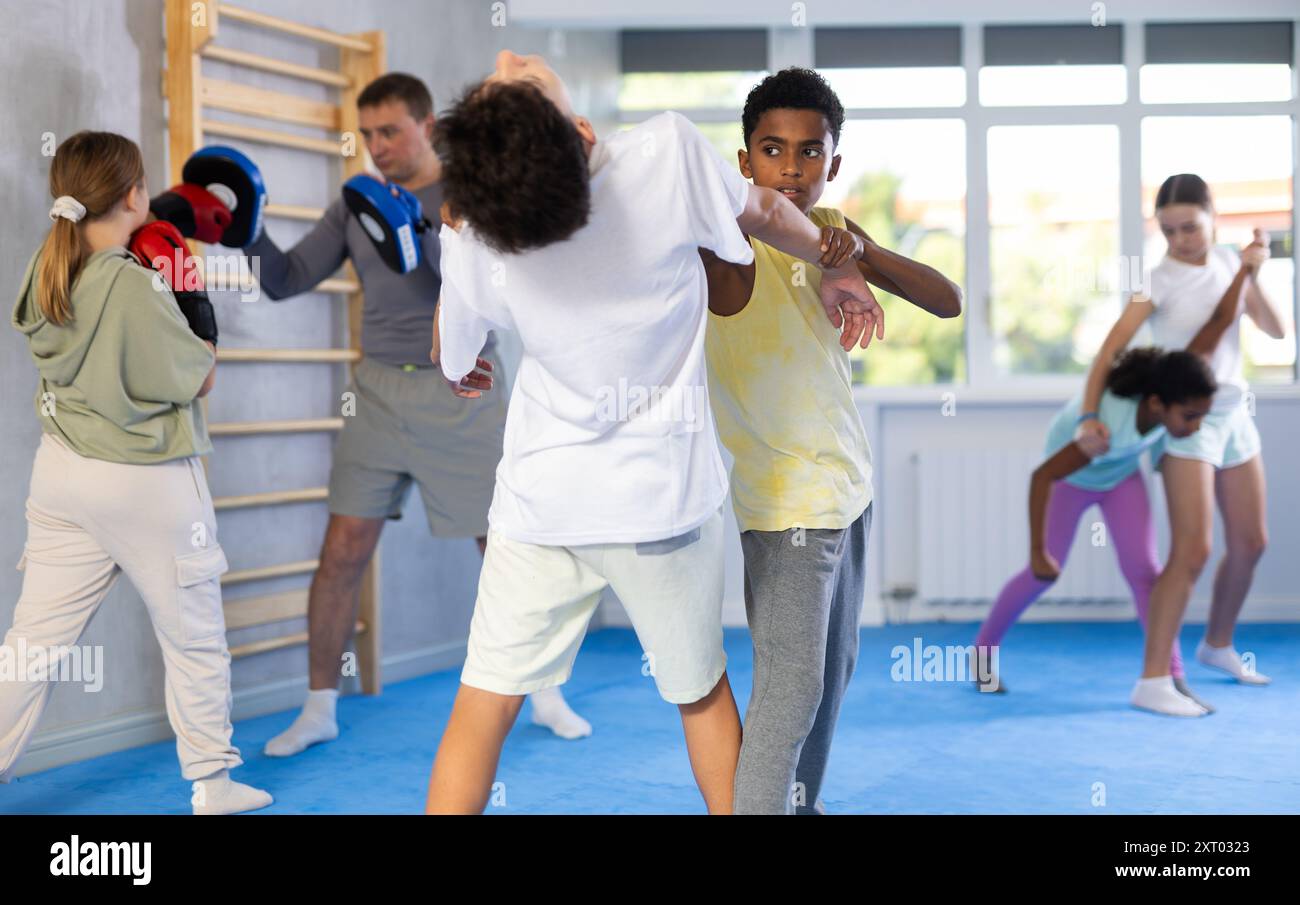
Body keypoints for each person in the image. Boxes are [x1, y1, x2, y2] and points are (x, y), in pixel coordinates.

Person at [425, 51, 884, 814]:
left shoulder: (479, 225)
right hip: (660, 510)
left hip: (542, 509)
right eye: (518, 74)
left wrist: (457, 327)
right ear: (579, 127)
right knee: (700, 694)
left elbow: (455, 356)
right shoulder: (664, 153)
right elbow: (768, 216)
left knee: (485, 703)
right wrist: (831, 258)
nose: (510, 55)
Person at [241, 73, 590, 756]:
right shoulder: (356, 202)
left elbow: (503, 290)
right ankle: (319, 707)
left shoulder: (474, 190)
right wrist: (244, 229)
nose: (376, 146)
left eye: (390, 131)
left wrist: (424, 237)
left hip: (461, 387)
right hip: (376, 392)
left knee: (507, 551)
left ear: (427, 126)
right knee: (342, 549)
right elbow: (285, 281)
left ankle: (545, 691)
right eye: (367, 134)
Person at [699, 67, 961, 814]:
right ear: (744, 160)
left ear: (833, 163)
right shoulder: (728, 244)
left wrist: (855, 253)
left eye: (810, 151)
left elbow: (947, 301)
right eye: (772, 149)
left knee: (833, 672)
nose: (791, 167)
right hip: (785, 508)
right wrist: (828, 252)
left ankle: (799, 804)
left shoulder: (836, 231)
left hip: (849, 492)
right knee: (790, 689)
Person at [1, 130, 270, 814]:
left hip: (61, 475)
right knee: (195, 634)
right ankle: (212, 784)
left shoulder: (47, 264)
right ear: (132, 193)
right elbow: (199, 375)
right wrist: (190, 287)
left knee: (30, 645)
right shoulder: (129, 284)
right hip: (145, 479)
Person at [1076, 175, 1282, 693]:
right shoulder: (1159, 280)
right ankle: (1152, 681)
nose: (1180, 240)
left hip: (1235, 413)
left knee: (1252, 542)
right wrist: (1086, 415)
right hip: (1188, 423)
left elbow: (1279, 330)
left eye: (1189, 227)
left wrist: (1254, 272)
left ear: (1214, 216)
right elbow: (1109, 350)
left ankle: (1218, 644)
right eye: (1168, 231)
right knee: (1192, 551)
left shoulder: (1232, 264)